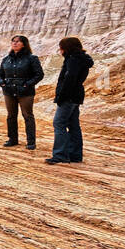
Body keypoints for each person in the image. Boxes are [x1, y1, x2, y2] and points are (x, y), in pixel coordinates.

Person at [46, 36, 94, 165]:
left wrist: (61, 97)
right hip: (77, 95)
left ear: (67, 48)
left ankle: (60, 154)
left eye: (61, 48)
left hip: (69, 96)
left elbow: (69, 79)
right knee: (73, 126)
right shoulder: (81, 59)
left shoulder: (73, 60)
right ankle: (75, 155)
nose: (60, 51)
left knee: (59, 123)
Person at [0, 34, 44, 149]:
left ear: (24, 44)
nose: (15, 43)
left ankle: (31, 142)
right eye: (13, 41)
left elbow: (39, 74)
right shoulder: (6, 59)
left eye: (18, 41)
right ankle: (12, 139)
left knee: (28, 116)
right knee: (11, 116)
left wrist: (27, 84)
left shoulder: (32, 58)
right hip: (9, 91)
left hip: (25, 92)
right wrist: (2, 84)